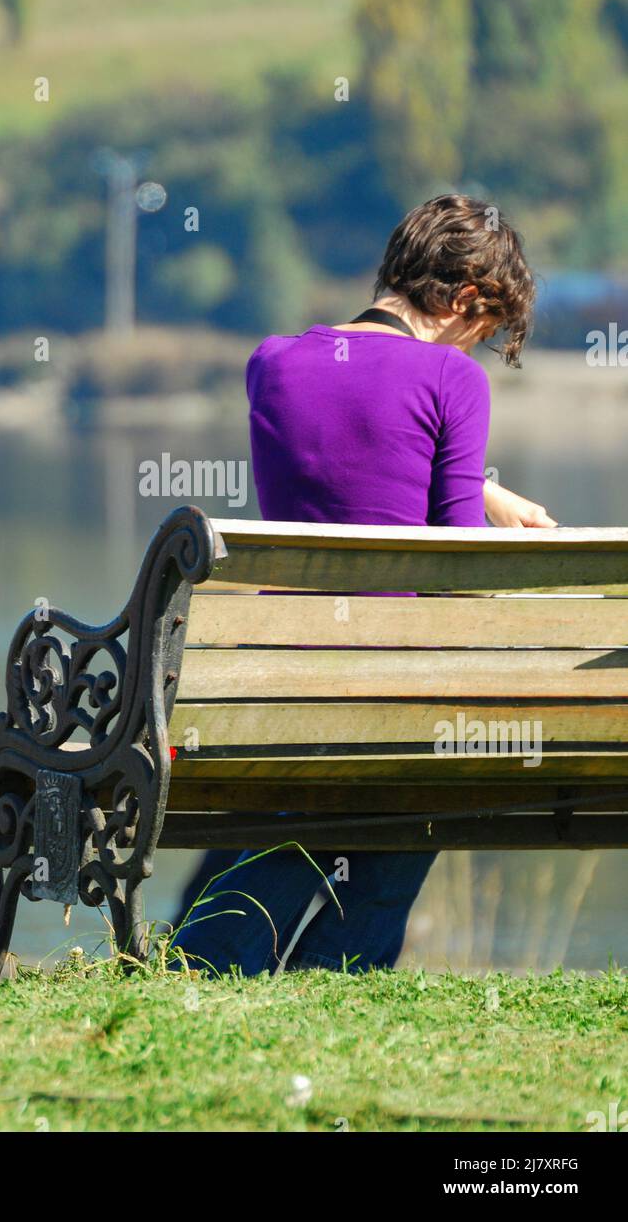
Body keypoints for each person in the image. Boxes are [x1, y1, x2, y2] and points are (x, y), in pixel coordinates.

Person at [171, 193, 556, 976]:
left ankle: (216, 959)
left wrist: (481, 486)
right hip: (399, 699)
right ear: (464, 300)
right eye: (482, 335)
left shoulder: (271, 363)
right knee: (412, 782)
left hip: (280, 684)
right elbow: (456, 568)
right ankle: (321, 974)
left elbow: (347, 461)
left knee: (318, 804)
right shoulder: (451, 376)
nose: (474, 352)